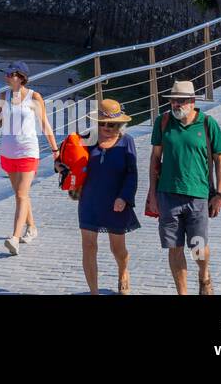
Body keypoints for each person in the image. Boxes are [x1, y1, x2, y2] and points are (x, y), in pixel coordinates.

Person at [146, 81, 221, 295]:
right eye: (173, 100)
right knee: (174, 247)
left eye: (180, 101)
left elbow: (220, 160)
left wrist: (219, 193)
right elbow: (155, 158)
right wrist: (152, 193)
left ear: (192, 102)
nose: (176, 104)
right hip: (168, 195)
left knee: (198, 247)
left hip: (198, 195)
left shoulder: (208, 124)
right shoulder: (163, 122)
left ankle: (204, 275)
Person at [0, 62, 58, 255]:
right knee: (21, 195)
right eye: (6, 74)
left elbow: (45, 124)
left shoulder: (34, 97)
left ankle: (14, 238)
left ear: (20, 77)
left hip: (28, 151)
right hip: (8, 152)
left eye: (10, 74)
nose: (6, 77)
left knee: (21, 195)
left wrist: (55, 149)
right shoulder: (4, 96)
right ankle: (32, 228)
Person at [77, 100, 139, 294]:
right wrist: (61, 167)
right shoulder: (86, 138)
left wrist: (124, 197)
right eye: (101, 123)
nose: (105, 127)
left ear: (119, 124)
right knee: (88, 246)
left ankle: (123, 272)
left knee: (118, 249)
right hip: (89, 201)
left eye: (111, 124)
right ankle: (94, 291)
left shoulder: (126, 141)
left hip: (116, 203)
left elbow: (132, 173)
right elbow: (66, 159)